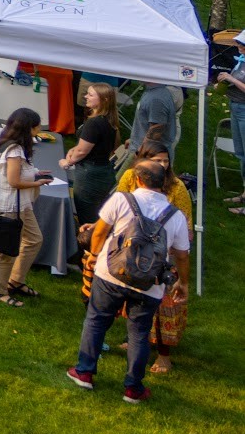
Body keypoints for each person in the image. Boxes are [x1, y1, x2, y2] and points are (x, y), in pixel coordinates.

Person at [67, 157, 190, 403]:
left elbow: (100, 231)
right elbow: (182, 254)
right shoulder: (175, 216)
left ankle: (84, 372)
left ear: (137, 179)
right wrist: (183, 283)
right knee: (139, 333)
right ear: (164, 182)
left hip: (111, 273)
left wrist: (93, 256)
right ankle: (133, 389)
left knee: (97, 321)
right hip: (150, 283)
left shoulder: (121, 199)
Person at [0, 108, 52, 306]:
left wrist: (35, 172)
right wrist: (37, 183)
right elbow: (14, 181)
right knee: (6, 249)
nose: (40, 129)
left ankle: (15, 281)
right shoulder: (15, 150)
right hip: (11, 204)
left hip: (19, 203)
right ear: (28, 128)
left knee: (34, 239)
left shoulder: (11, 142)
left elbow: (18, 172)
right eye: (37, 126)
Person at [61, 81, 123, 224]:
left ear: (104, 100)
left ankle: (87, 238)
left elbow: (82, 151)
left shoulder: (94, 123)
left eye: (90, 95)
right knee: (96, 216)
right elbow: (92, 145)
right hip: (103, 172)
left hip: (90, 176)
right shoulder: (109, 120)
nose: (86, 96)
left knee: (87, 219)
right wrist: (73, 150)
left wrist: (67, 161)